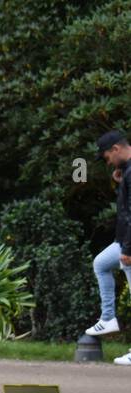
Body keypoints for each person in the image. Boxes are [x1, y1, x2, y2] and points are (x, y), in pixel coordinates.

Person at [85, 131, 131, 356]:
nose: (108, 162)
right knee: (101, 263)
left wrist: (128, 249)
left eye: (107, 157)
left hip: (129, 244)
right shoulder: (127, 171)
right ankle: (108, 318)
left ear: (116, 149)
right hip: (123, 240)